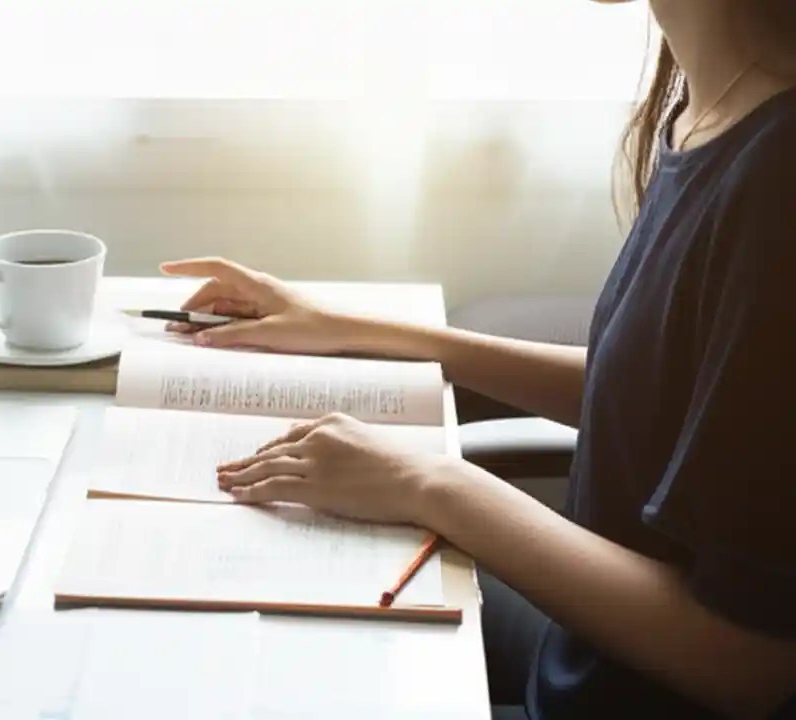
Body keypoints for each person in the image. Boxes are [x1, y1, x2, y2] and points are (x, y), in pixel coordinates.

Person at [162, 1, 796, 717]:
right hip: (586, 657)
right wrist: (351, 328)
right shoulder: (708, 100)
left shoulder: (777, 181)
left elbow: (749, 661)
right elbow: (653, 394)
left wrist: (430, 482)